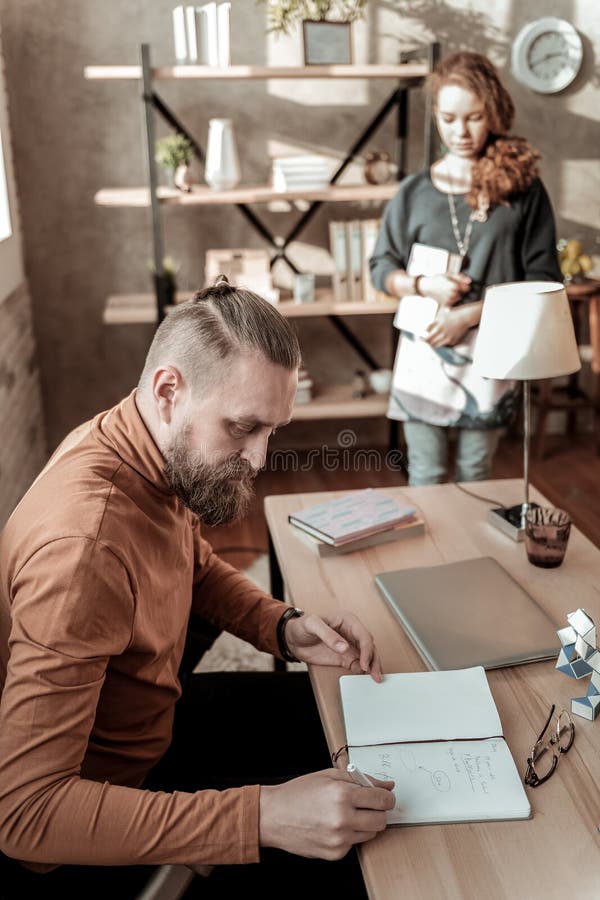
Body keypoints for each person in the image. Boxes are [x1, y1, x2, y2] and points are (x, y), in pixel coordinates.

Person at [0, 281, 395, 899]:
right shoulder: (83, 554)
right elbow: (28, 816)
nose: (261, 458)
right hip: (101, 814)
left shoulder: (139, 442)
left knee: (343, 730)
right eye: (243, 427)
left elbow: (192, 563)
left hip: (157, 723)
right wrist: (264, 816)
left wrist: (282, 625)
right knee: (365, 860)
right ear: (168, 391)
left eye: (273, 430)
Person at [370, 51, 562, 486]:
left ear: (493, 112)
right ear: (435, 115)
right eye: (449, 118)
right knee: (426, 474)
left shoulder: (523, 188)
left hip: (492, 352)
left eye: (474, 117)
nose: (461, 131)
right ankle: (433, 558)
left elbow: (545, 280)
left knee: (476, 473)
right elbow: (380, 268)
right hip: (423, 354)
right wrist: (424, 284)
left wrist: (466, 315)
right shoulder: (414, 192)